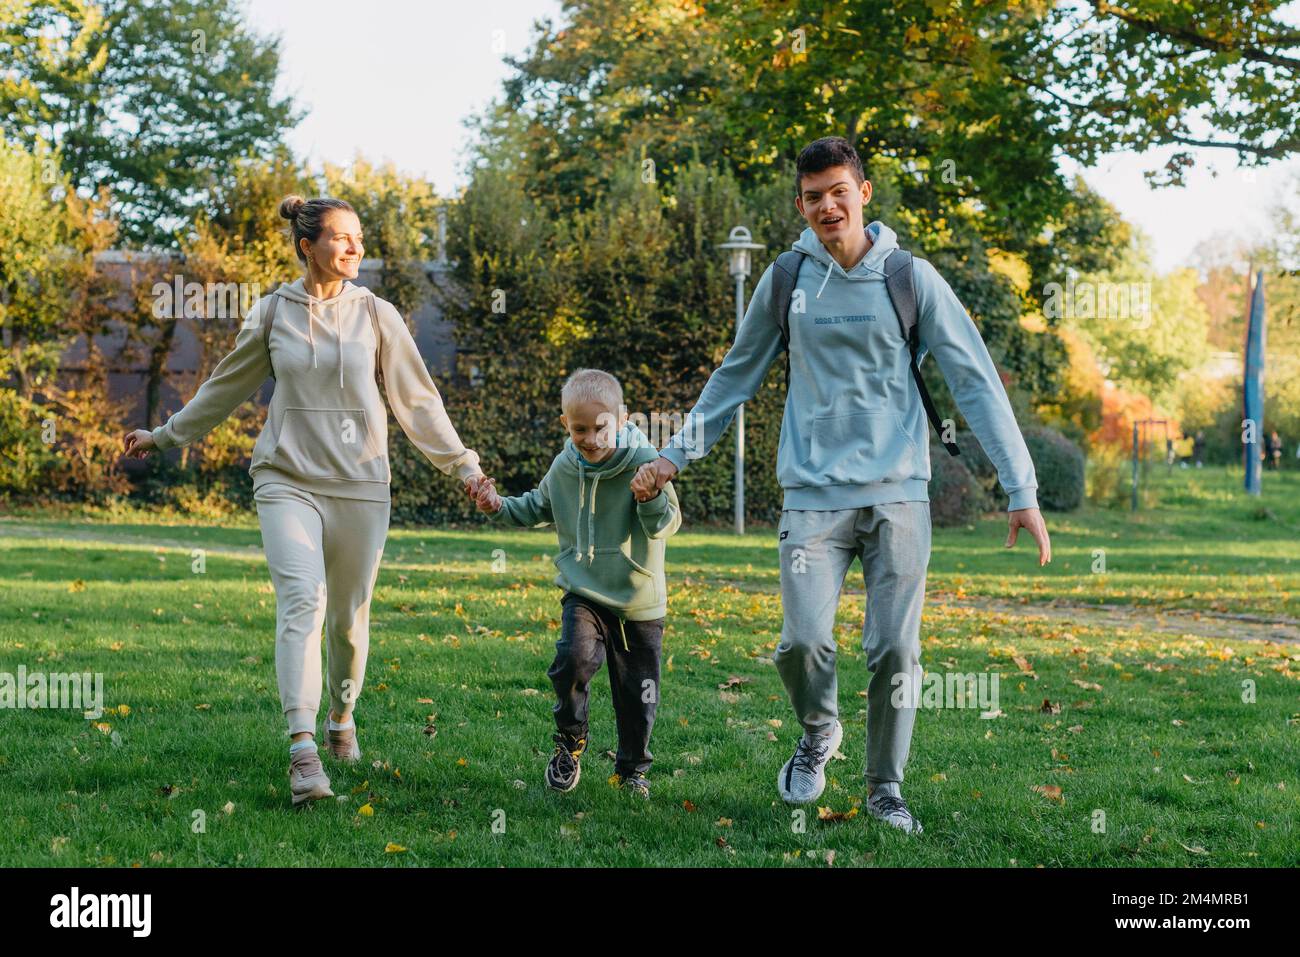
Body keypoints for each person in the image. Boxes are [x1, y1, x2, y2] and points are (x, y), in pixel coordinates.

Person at [632, 136, 1051, 835]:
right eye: (813, 195)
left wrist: (1021, 488)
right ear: (800, 204)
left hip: (898, 495)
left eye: (839, 190)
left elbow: (973, 379)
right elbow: (735, 375)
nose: (828, 205)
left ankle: (885, 786)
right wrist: (677, 454)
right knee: (801, 643)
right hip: (812, 497)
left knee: (895, 650)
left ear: (863, 193)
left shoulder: (910, 279)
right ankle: (819, 729)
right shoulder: (788, 279)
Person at [122, 195, 490, 807]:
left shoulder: (377, 314)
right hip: (285, 477)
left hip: (360, 484)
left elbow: (418, 402)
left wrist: (466, 468)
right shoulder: (273, 313)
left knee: (348, 622)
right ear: (306, 246)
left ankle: (341, 720)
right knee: (303, 599)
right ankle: (302, 752)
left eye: (360, 239)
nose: (355, 248)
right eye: (342, 238)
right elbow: (223, 386)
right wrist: (164, 436)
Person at [476, 369, 681, 798]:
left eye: (599, 427)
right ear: (565, 424)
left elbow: (666, 525)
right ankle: (570, 740)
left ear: (622, 420)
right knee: (571, 659)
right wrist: (498, 506)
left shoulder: (646, 461)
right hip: (583, 590)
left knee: (638, 694)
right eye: (579, 428)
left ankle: (632, 770)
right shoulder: (565, 465)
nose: (589, 438)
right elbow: (537, 505)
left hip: (637, 598)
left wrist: (650, 497)